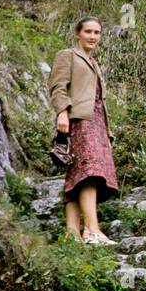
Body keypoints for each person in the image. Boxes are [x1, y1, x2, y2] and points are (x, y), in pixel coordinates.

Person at [48, 16, 119, 244]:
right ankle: (92, 230)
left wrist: (106, 131)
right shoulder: (67, 55)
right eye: (88, 31)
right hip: (79, 120)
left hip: (97, 123)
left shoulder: (93, 62)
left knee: (78, 173)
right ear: (78, 33)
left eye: (97, 33)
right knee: (90, 173)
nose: (92, 37)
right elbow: (58, 86)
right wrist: (62, 112)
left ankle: (72, 232)